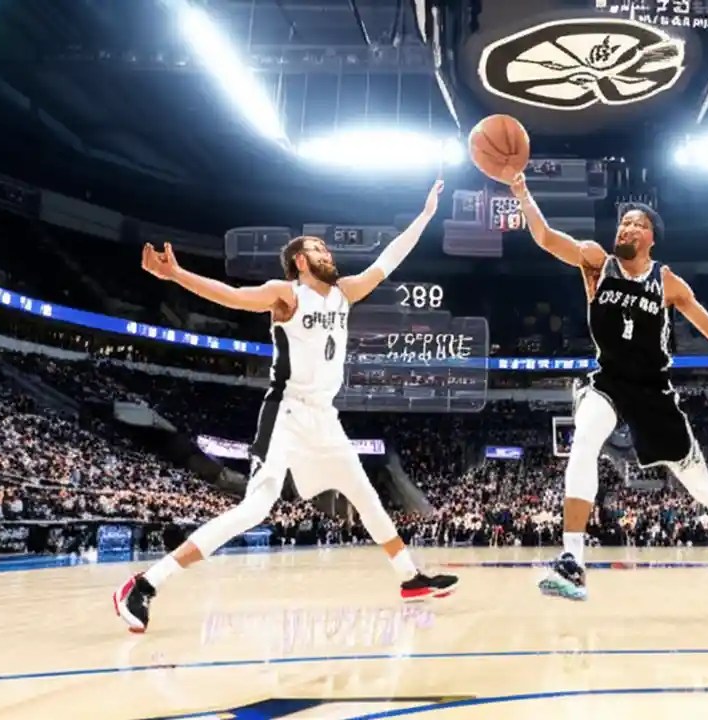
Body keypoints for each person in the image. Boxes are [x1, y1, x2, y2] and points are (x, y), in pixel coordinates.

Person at [113, 181, 458, 633]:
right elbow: (232, 296)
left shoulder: (345, 293)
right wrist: (177, 275)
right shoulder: (287, 293)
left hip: (325, 417)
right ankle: (143, 584)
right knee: (255, 509)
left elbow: (388, 259)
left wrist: (426, 214)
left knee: (365, 495)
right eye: (319, 250)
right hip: (287, 411)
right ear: (300, 260)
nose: (328, 255)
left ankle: (409, 578)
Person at [509, 173, 708, 601]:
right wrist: (520, 190)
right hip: (608, 380)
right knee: (583, 443)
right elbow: (545, 237)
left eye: (636, 224)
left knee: (703, 488)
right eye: (623, 223)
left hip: (654, 392)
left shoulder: (667, 282)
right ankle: (572, 560)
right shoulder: (595, 261)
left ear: (651, 238)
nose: (626, 228)